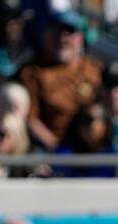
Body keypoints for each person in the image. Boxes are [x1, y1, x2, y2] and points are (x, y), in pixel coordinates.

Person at [16, 10, 103, 152]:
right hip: (49, 150)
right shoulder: (32, 72)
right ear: (45, 35)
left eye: (70, 31)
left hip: (92, 148)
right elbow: (31, 119)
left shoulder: (94, 69)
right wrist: (56, 148)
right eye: (56, 31)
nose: (63, 38)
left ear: (80, 38)